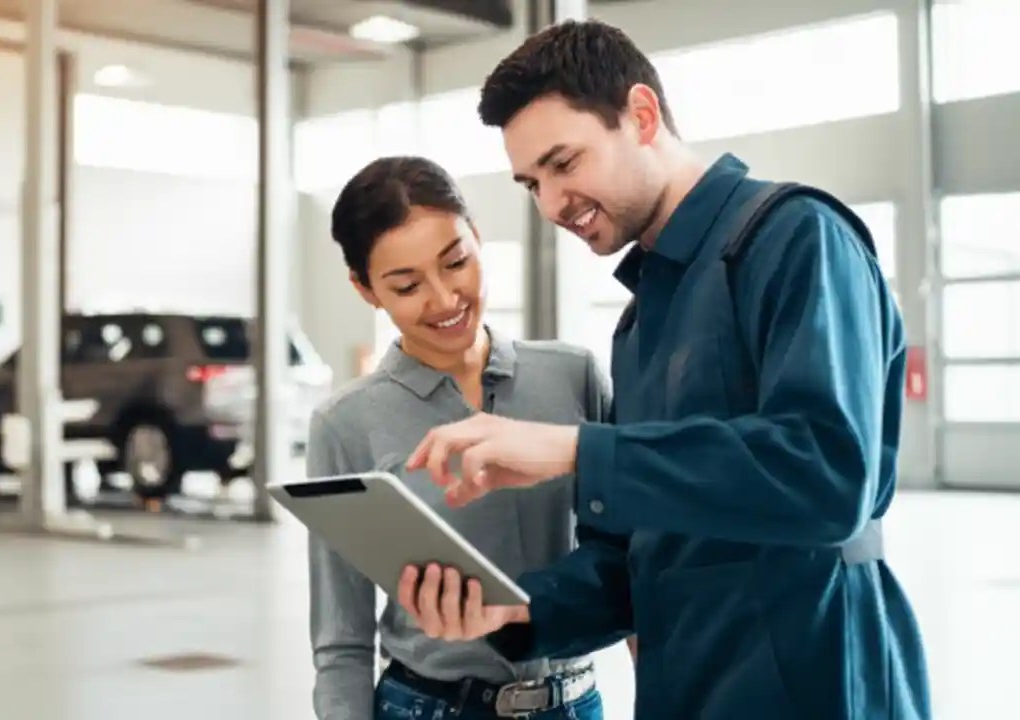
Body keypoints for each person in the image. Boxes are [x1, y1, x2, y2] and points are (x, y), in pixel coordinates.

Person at [395, 19, 932, 720]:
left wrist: (574, 450)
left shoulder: (797, 238)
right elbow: (634, 556)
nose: (551, 204)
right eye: (532, 183)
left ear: (642, 116)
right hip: (687, 684)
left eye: (565, 163)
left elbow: (827, 474)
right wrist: (515, 610)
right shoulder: (641, 320)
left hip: (814, 677)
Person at [307, 156, 632, 720]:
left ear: (478, 238)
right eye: (407, 285)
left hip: (576, 702)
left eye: (455, 262)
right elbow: (342, 640)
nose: (443, 299)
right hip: (430, 706)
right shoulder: (345, 422)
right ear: (366, 289)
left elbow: (629, 562)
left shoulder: (574, 374)